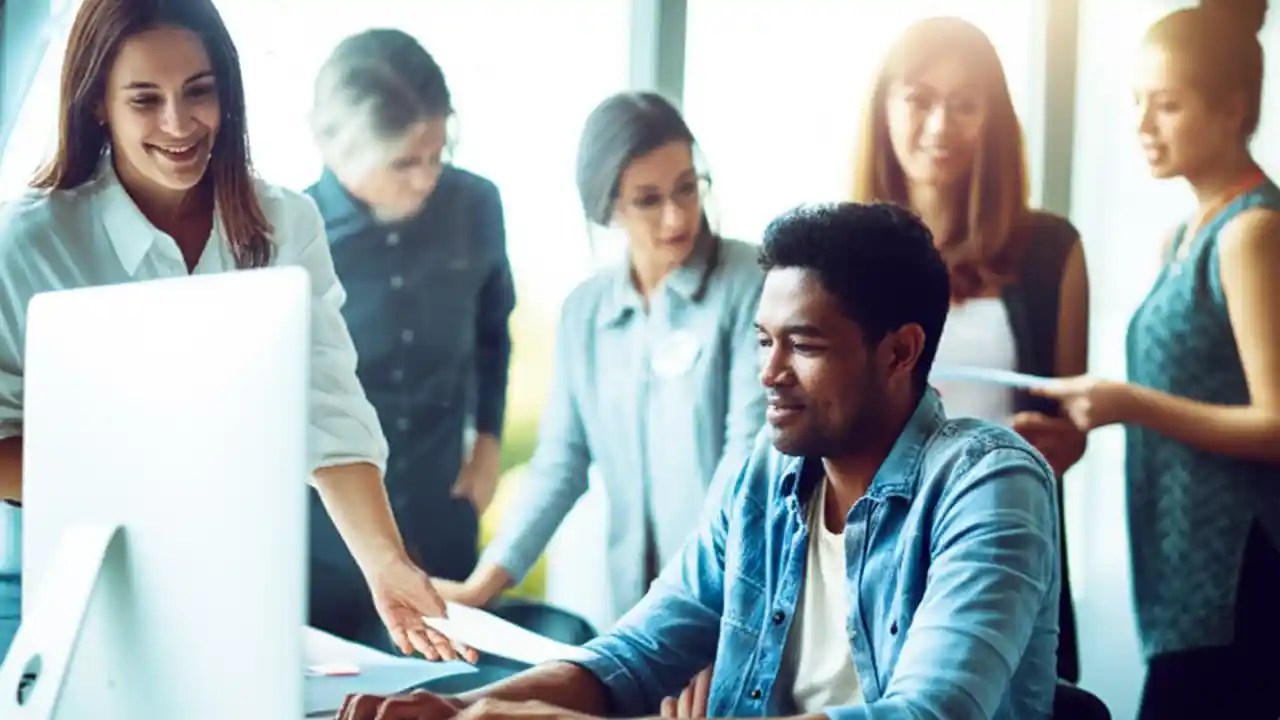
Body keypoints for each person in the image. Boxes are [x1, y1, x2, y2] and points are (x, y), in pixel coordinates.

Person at [334, 202, 1062, 720]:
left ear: (900, 351)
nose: (768, 372)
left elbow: (932, 712)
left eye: (802, 345)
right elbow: (635, 655)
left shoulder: (989, 482)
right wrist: (458, 708)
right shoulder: (766, 478)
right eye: (761, 340)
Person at [0, 0, 471, 663]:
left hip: (233, 586)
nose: (179, 123)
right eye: (144, 99)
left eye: (200, 91)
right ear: (98, 103)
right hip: (68, 591)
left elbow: (328, 406)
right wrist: (156, 481)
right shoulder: (29, 241)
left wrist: (384, 564)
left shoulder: (286, 223)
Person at [439, 92, 766, 625]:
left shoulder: (748, 282)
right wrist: (483, 583)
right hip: (634, 608)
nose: (676, 215)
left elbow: (747, 459)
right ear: (607, 205)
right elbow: (561, 463)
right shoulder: (585, 313)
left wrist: (698, 603)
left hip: (729, 595)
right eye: (648, 199)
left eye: (688, 187)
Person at [1036, 2, 1280, 717]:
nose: (1143, 125)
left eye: (1167, 105)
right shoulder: (1180, 235)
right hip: (1180, 581)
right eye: (1138, 102)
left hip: (1238, 576)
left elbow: (1277, 422)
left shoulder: (1250, 234)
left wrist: (1127, 403)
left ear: (1234, 107)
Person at [850, 15, 1087, 682]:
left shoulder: (1050, 250)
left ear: (994, 119)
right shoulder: (842, 253)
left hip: (1002, 543)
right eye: (919, 99)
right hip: (873, 552)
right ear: (885, 109)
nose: (939, 124)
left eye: (964, 104)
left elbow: (1069, 425)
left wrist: (1065, 441)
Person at [304, 29, 515, 651]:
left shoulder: (478, 204)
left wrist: (490, 447)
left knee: (453, 686)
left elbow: (492, 334)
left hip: (442, 504)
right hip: (325, 532)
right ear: (332, 143)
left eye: (438, 153)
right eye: (403, 161)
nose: (427, 178)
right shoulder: (287, 234)